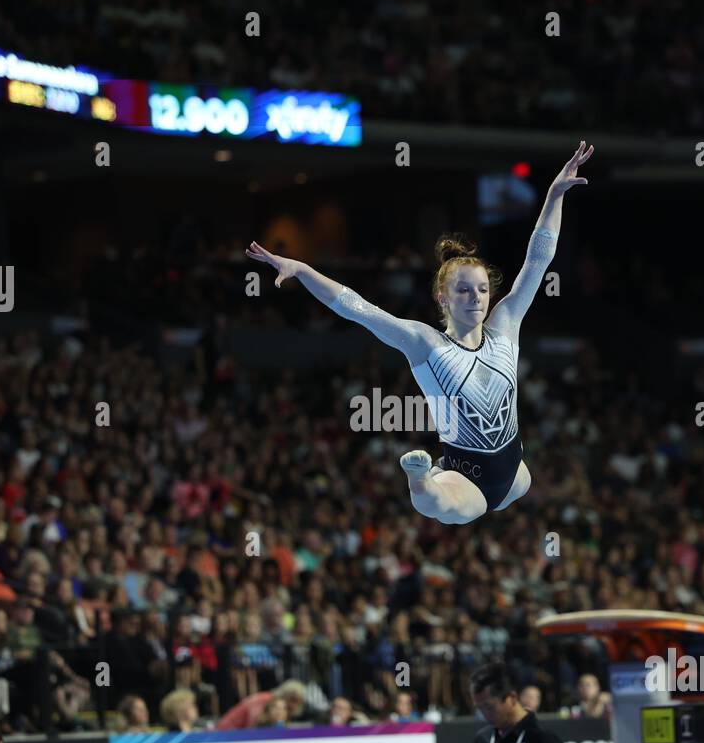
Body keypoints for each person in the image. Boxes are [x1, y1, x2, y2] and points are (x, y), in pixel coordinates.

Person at [246, 141, 593, 524]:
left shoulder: (506, 323)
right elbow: (358, 309)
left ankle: (434, 477)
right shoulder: (425, 342)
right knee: (444, 507)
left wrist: (553, 195)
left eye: (481, 289)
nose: (476, 297)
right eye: (463, 290)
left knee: (523, 483)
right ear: (443, 298)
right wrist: (303, 271)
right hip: (468, 477)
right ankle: (420, 479)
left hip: (514, 472)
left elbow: (538, 261)